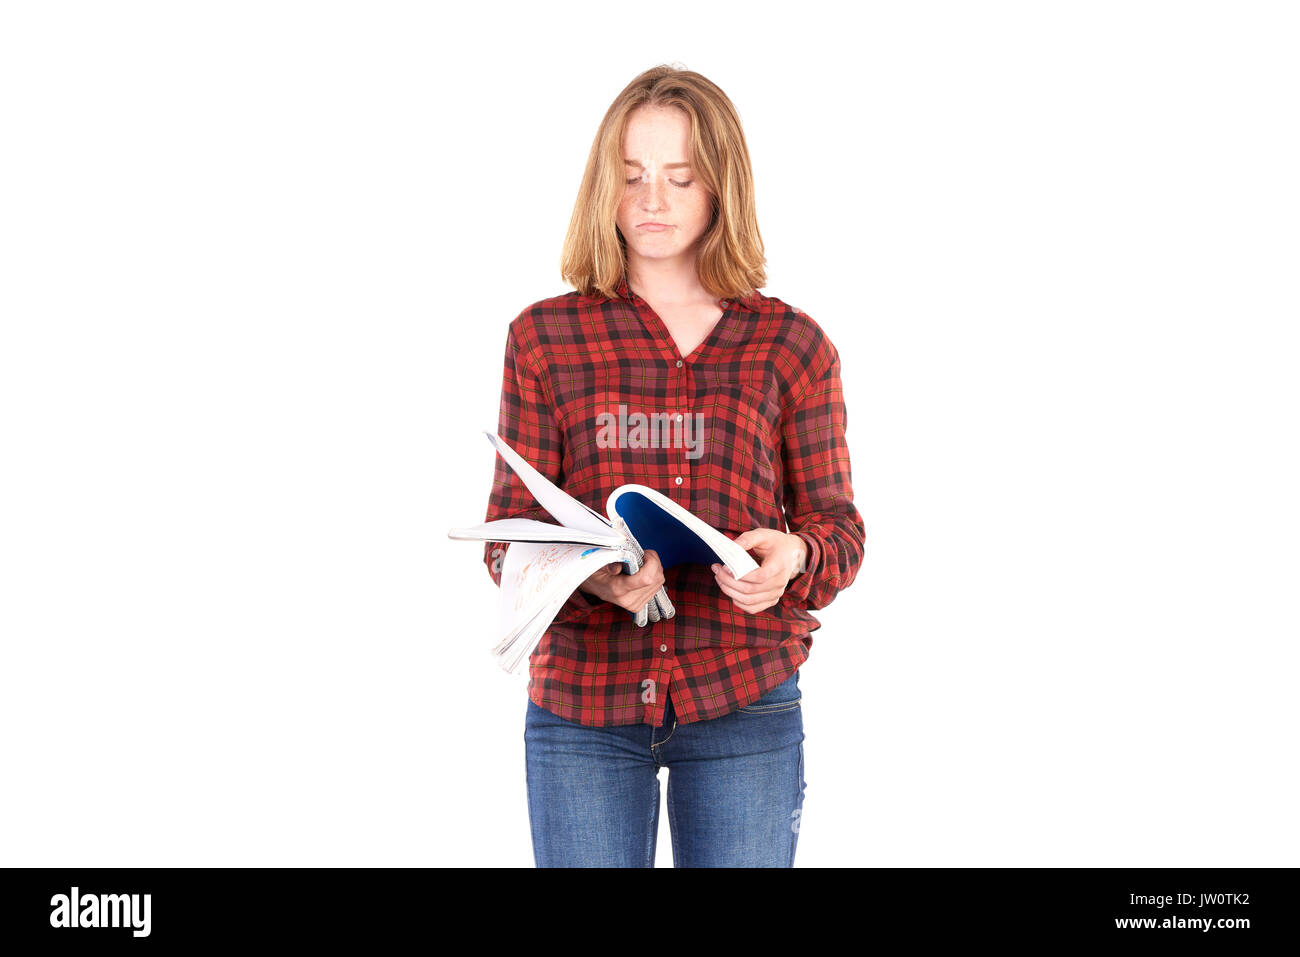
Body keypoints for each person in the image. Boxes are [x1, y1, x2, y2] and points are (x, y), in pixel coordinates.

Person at [482, 65, 865, 867]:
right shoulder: (543, 339)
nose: (652, 199)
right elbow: (506, 539)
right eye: (631, 177)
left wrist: (792, 556)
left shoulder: (791, 345)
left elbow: (838, 528)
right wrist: (592, 576)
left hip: (743, 699)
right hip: (582, 709)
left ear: (720, 185)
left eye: (680, 177)